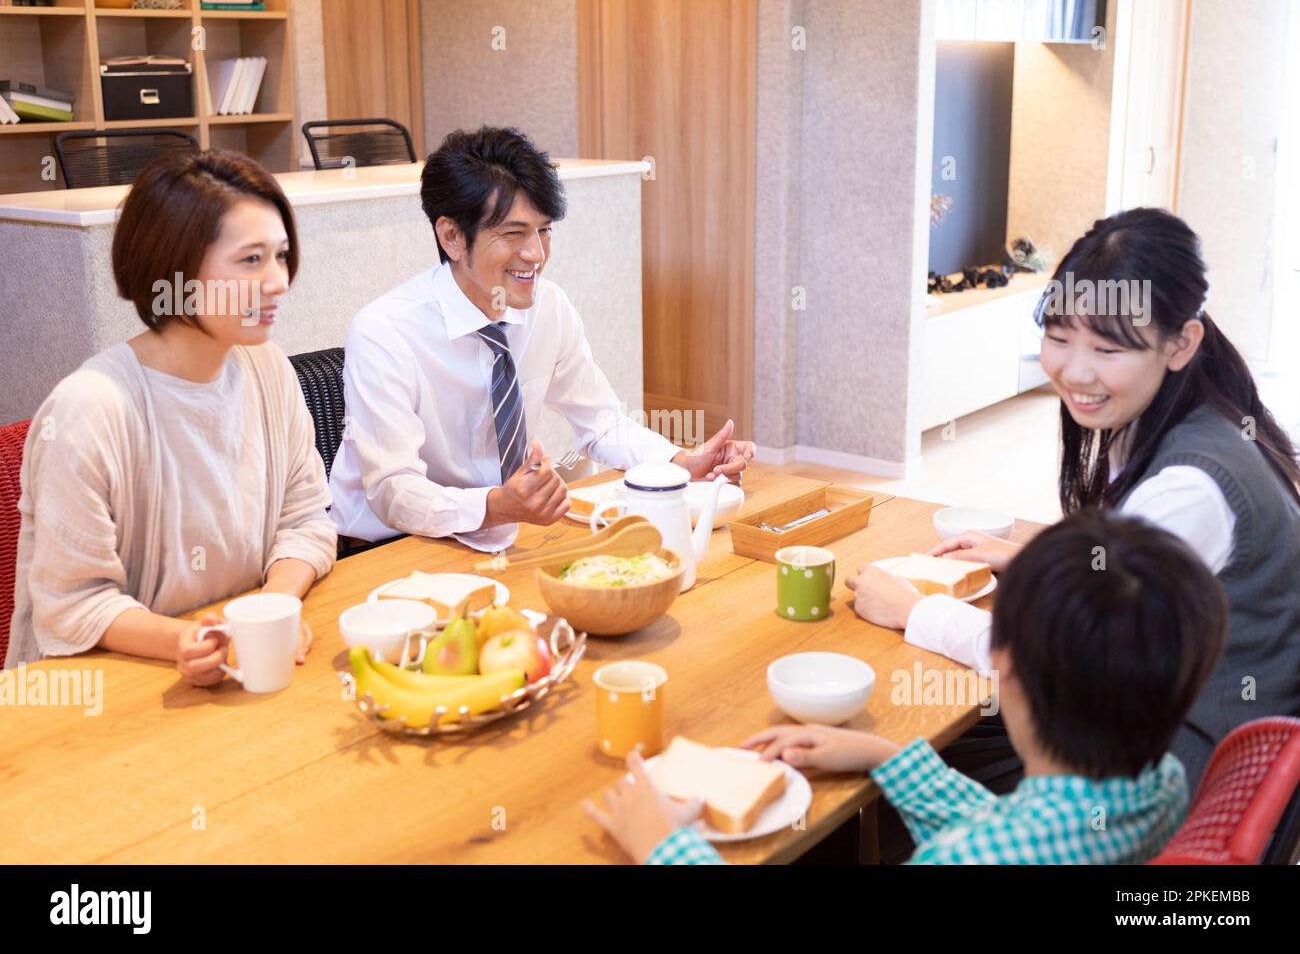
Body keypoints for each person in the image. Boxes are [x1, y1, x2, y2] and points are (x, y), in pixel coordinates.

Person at [848, 207, 1300, 788]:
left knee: (902, 747)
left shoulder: (1190, 487)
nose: (1076, 372)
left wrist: (916, 611)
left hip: (1168, 781)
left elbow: (1069, 670)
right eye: (1059, 338)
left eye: (1109, 352)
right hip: (1176, 737)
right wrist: (1034, 562)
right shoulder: (1193, 418)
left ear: (1182, 343)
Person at [585, 510, 1228, 864]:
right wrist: (888, 758)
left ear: (1002, 660)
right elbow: (1012, 827)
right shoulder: (1159, 779)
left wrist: (665, 849)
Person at [328, 126, 754, 552]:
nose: (535, 254)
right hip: (387, 545)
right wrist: (496, 506)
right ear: (452, 237)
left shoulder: (548, 307)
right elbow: (393, 490)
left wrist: (679, 464)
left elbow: (601, 422)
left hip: (501, 532)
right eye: (513, 234)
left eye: (544, 230)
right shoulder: (386, 332)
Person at [5, 149, 336, 686]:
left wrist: (265, 615)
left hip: (235, 667)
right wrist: (191, 641)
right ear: (175, 269)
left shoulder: (267, 367)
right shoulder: (90, 408)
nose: (278, 281)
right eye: (251, 260)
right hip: (109, 691)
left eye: (280, 255)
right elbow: (73, 605)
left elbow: (305, 520)